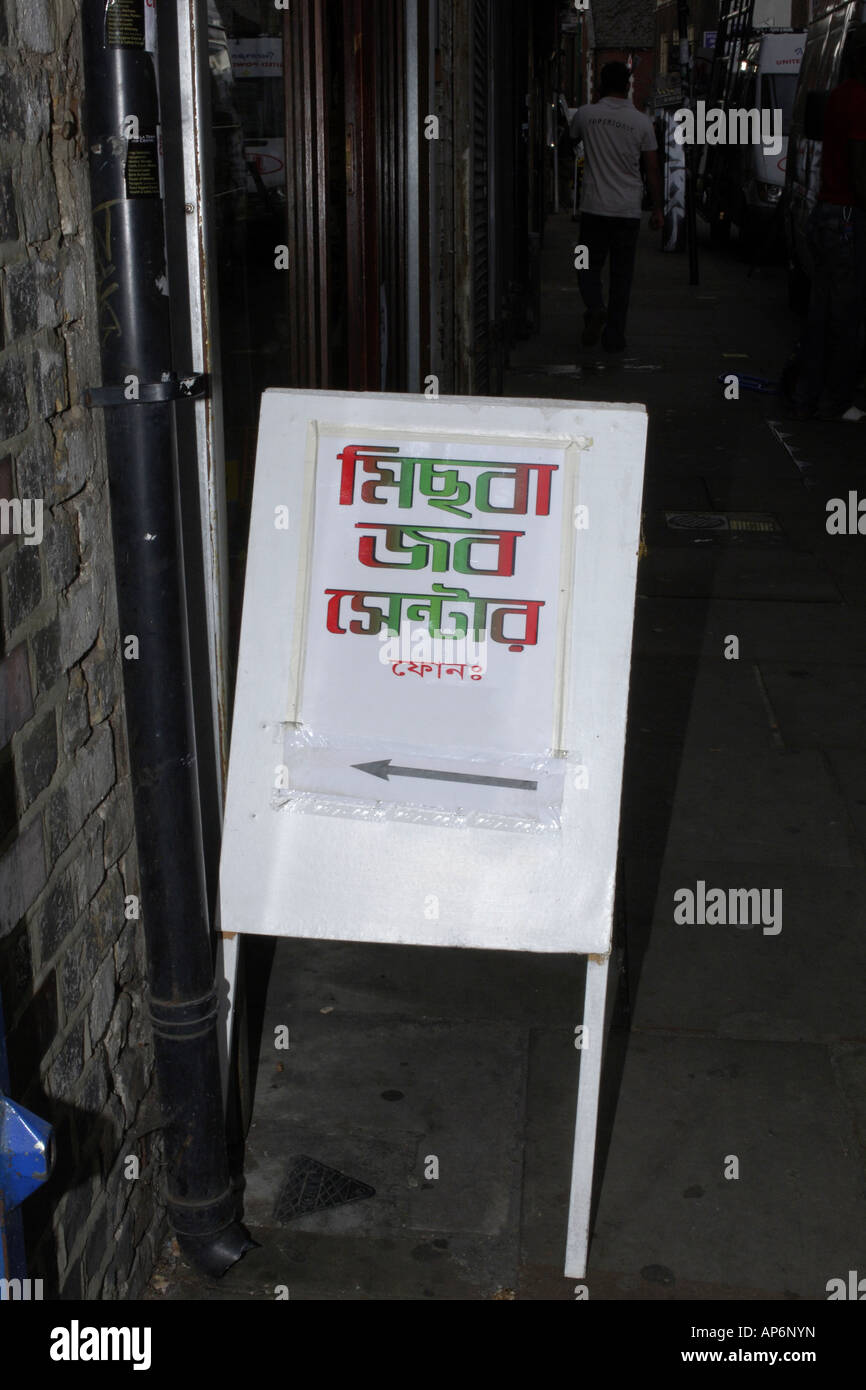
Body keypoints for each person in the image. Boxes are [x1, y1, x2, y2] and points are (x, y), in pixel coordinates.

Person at [792, 25, 866, 422]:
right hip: (848, 216)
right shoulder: (860, 101)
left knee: (820, 311)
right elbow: (859, 168)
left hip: (825, 212)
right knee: (846, 314)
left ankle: (807, 393)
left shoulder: (839, 97)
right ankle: (837, 400)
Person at [568, 62, 664, 353]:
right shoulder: (642, 122)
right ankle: (614, 337)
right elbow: (652, 168)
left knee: (585, 263)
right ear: (628, 86)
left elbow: (569, 142)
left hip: (594, 207)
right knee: (622, 275)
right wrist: (658, 209)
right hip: (627, 210)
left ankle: (595, 306)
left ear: (600, 85)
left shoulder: (586, 115)